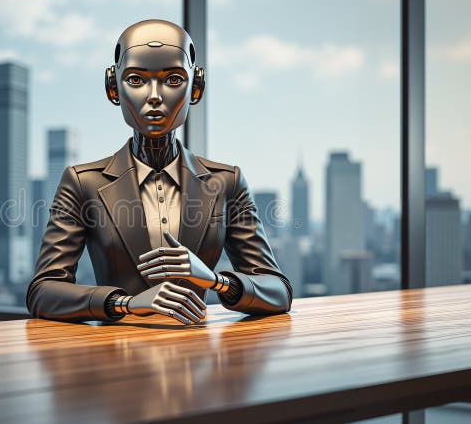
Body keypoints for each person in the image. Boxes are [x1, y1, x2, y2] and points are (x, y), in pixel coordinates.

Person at [27, 19, 292, 325]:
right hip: (117, 345)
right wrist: (125, 304)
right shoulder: (83, 182)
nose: (155, 95)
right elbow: (43, 291)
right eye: (136, 79)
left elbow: (278, 291)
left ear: (196, 88)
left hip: (196, 346)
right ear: (113, 88)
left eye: (174, 79)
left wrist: (216, 281)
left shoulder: (226, 182)